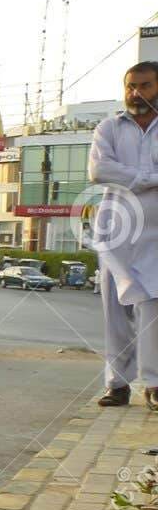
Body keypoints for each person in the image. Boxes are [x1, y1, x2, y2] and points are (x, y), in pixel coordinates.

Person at [89, 62, 158, 409]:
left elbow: (117, 172)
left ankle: (155, 384)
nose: (135, 94)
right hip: (116, 235)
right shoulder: (109, 128)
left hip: (156, 239)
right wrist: (150, 177)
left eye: (144, 86)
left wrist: (129, 175)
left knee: (152, 311)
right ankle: (117, 385)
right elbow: (100, 171)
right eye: (130, 86)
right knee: (114, 312)